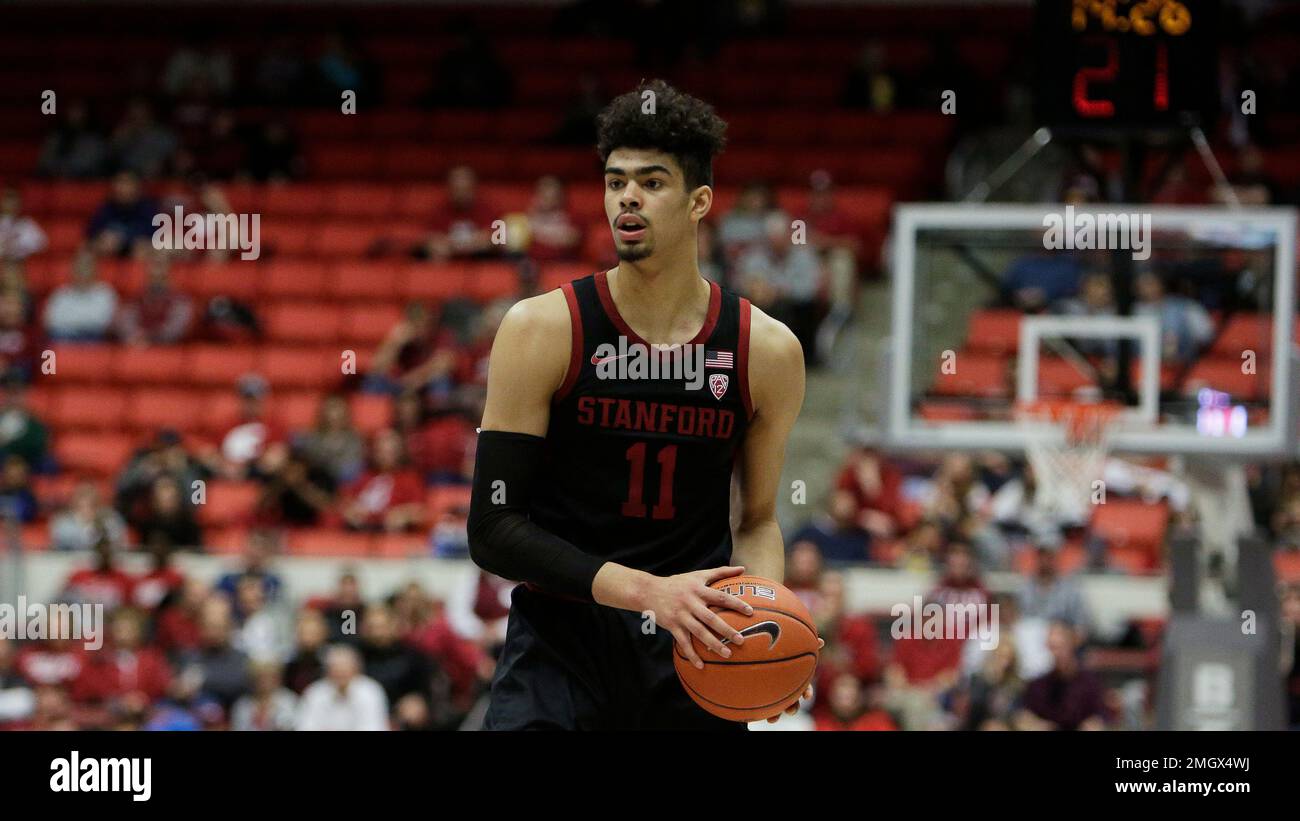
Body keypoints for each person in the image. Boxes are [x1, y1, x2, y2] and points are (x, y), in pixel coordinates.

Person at [468, 80, 813, 731]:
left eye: (652, 182)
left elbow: (760, 519)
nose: (627, 195)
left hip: (695, 652)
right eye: (615, 180)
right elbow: (492, 528)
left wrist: (769, 615)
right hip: (560, 645)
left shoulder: (765, 350)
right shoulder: (544, 329)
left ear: (699, 202)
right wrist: (650, 591)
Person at [295, 644, 389, 731]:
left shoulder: (371, 691)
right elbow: (306, 726)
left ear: (356, 670)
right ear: (327, 672)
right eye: (336, 670)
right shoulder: (315, 692)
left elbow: (373, 727)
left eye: (345, 670)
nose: (340, 674)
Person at [42, 252, 118, 342]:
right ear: (72, 270)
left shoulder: (105, 293)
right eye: (79, 267)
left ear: (95, 270)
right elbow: (51, 321)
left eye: (87, 267)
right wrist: (84, 322)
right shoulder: (60, 294)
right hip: (64, 337)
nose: (83, 272)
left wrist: (71, 321)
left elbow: (103, 321)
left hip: (95, 338)